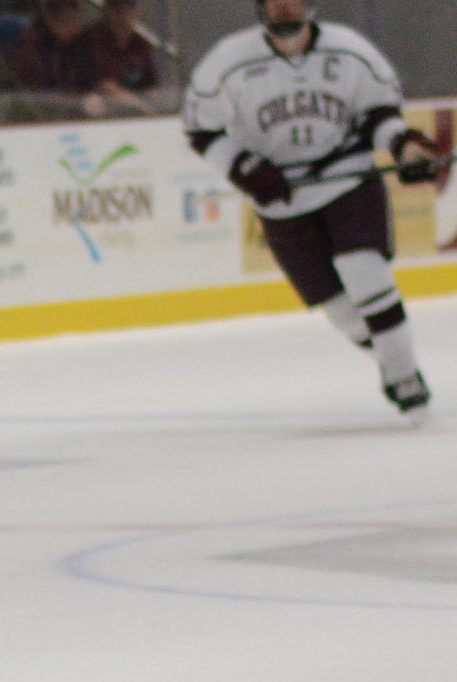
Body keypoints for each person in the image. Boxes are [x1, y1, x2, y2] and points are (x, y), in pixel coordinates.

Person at [183, 0, 437, 415]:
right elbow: (200, 128)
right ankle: (395, 361)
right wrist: (242, 167)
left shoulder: (350, 50)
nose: (284, 8)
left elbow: (379, 114)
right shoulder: (227, 62)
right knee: (340, 312)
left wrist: (403, 146)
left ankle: (404, 378)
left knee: (364, 268)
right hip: (282, 199)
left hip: (347, 177)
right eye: (274, 1)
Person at [72, 0, 157, 116]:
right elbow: (104, 86)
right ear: (106, 11)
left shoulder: (140, 44)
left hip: (136, 110)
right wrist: (136, 103)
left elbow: (151, 84)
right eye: (116, 9)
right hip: (98, 108)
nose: (122, 15)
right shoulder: (90, 40)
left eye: (128, 8)